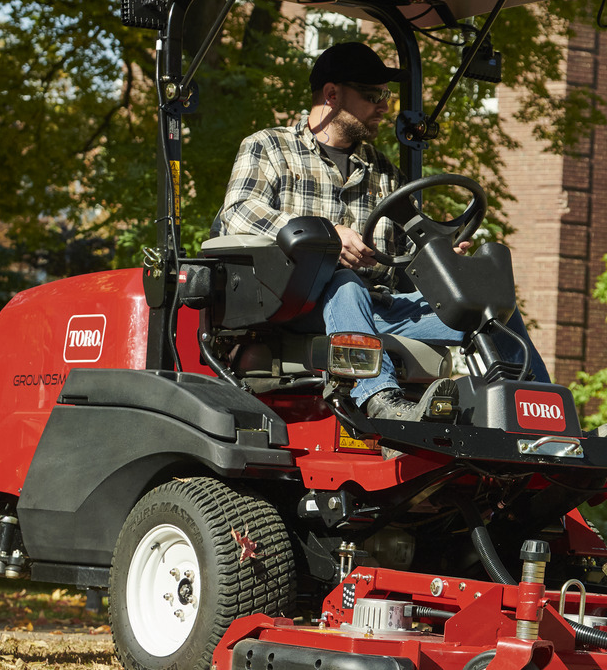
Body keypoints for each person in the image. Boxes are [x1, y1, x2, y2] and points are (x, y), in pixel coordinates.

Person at [214, 41, 548, 419]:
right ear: (332, 95)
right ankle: (382, 400)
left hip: (378, 306)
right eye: (373, 96)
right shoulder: (270, 147)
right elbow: (238, 213)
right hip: (294, 306)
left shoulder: (383, 171)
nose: (385, 107)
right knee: (344, 282)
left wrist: (441, 260)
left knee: (491, 303)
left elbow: (404, 253)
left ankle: (537, 413)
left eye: (386, 95)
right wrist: (327, 235)